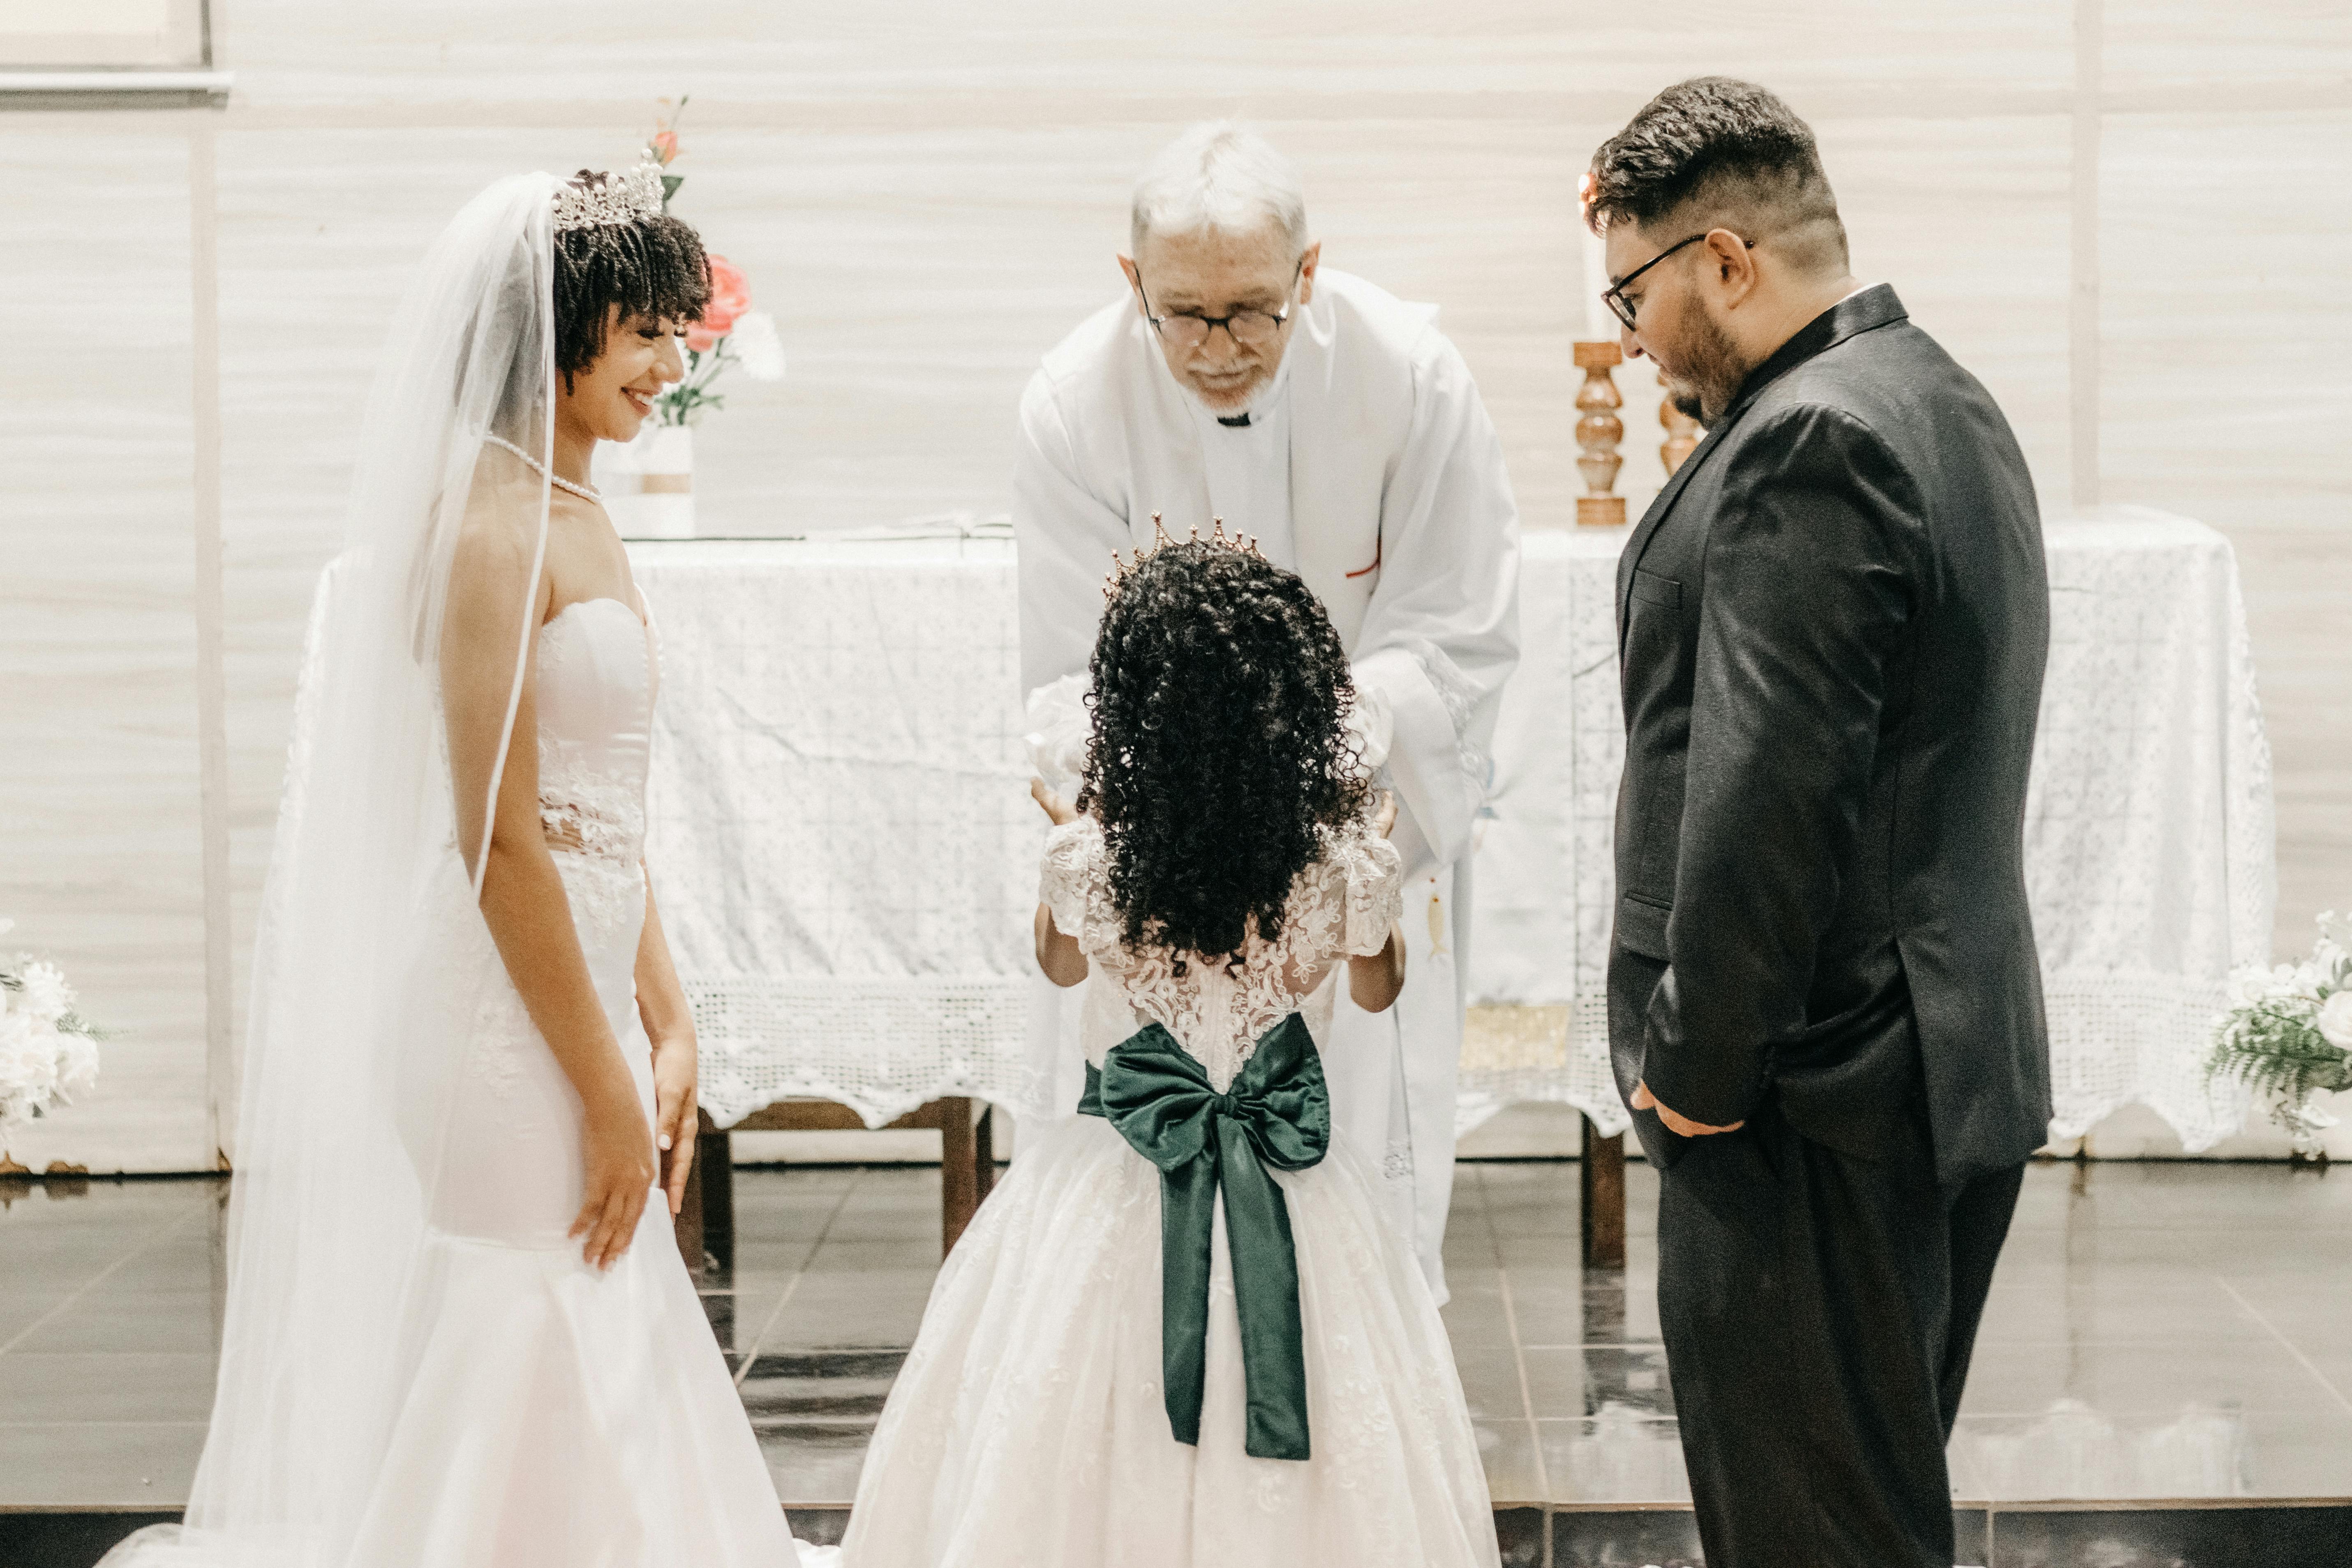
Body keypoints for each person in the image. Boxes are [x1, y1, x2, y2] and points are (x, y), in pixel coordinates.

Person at [102, 167, 797, 1567]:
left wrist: (669, 1016)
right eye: (644, 333)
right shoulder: (489, 527)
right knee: (528, 1314)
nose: (672, 364)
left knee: (597, 1319)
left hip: (582, 1001)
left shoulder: (579, 505)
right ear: (559, 333)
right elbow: (499, 845)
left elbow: (605, 808)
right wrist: (606, 1082)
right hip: (495, 1020)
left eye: (677, 333)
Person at [828, 533, 1499, 1568]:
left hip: (1110, 1182)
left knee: (1067, 1429)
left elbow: (1057, 971)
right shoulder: (1334, 864)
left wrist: (1071, 841)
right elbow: (1377, 986)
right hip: (1292, 1190)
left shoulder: (1090, 859)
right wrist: (1368, 862)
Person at [1590, 79, 2052, 1567]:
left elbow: (1764, 803)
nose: (1628, 335)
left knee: (1813, 1538)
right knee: (1862, 1514)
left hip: (1810, 1098)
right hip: (1928, 1062)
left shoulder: (1808, 444)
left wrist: (1699, 1073)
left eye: (1633, 290)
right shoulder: (1939, 395)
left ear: (1726, 261)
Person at [1014, 122, 1519, 1300]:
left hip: (1349, 839)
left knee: (1354, 1210)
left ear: (1310, 270)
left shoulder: (1409, 374)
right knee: (1141, 1243)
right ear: (1132, 281)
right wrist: (1183, 797)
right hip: (1158, 865)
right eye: (1184, 314)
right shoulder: (1072, 401)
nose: (1220, 347)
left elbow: (1453, 634)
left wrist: (1298, 795)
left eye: (1254, 309)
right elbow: (1063, 672)